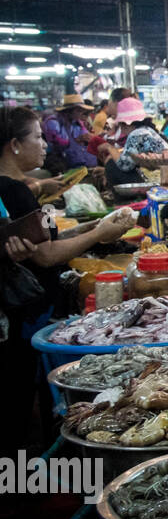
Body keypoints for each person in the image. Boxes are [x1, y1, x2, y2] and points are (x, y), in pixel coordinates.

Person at [1, 106, 135, 451]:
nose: (45, 145)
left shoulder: (18, 188)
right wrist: (96, 235)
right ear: (14, 144)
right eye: (37, 137)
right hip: (27, 308)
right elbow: (45, 255)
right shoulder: (13, 192)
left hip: (27, 306)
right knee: (22, 388)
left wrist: (93, 227)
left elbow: (50, 240)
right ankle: (28, 471)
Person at [107, 96, 168, 186]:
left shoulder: (136, 134)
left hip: (160, 178)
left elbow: (125, 166)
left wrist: (110, 149)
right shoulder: (150, 131)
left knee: (112, 165)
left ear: (124, 125)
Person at [42, 94, 99, 173]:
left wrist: (88, 138)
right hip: (60, 163)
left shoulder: (77, 122)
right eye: (78, 110)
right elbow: (59, 144)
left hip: (79, 164)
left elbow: (85, 134)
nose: (81, 113)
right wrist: (77, 140)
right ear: (69, 110)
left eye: (82, 110)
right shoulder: (53, 122)